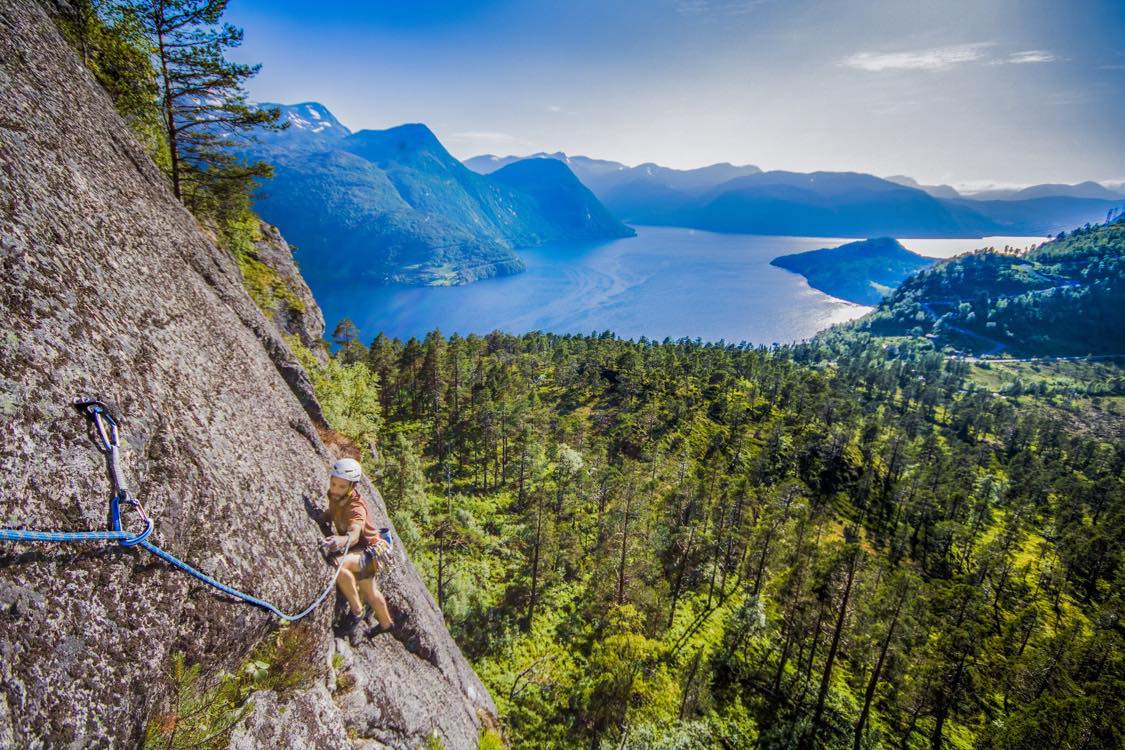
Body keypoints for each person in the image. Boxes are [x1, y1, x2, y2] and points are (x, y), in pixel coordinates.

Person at [321, 458, 395, 639]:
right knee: (369, 590)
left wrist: (342, 539)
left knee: (339, 565)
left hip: (371, 553)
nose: (335, 489)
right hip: (366, 551)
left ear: (351, 487)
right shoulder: (335, 495)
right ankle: (386, 624)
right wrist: (322, 517)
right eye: (333, 484)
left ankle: (356, 611)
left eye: (341, 486)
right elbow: (334, 510)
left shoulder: (357, 508)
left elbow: (355, 531)